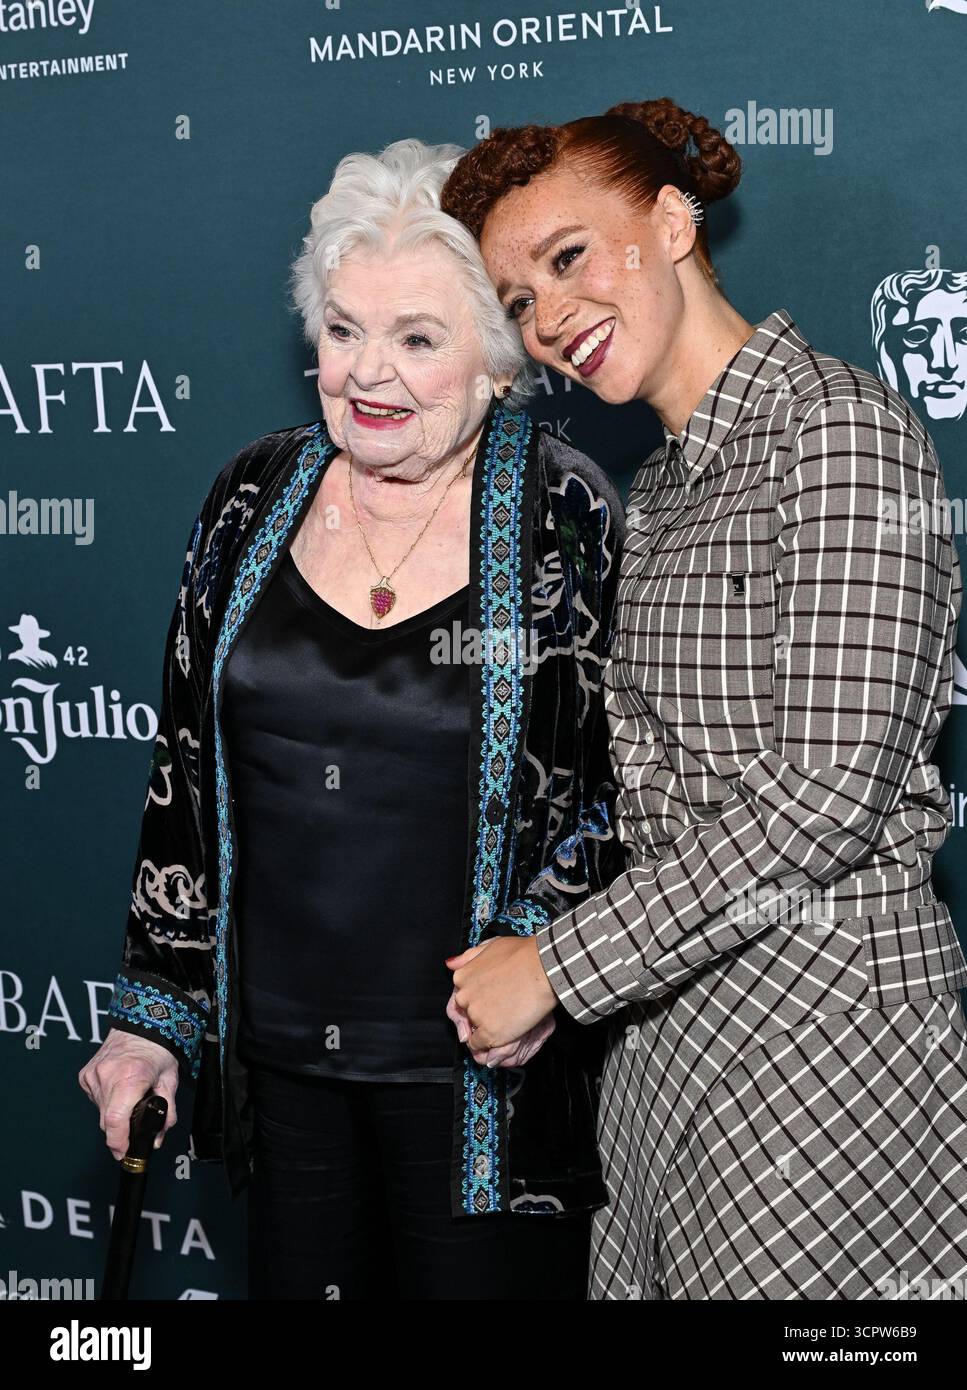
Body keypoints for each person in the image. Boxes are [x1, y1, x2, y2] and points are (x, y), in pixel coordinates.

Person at [78, 138, 626, 1300]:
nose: (366, 373)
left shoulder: (563, 514)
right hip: (283, 1075)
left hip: (485, 1088)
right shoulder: (248, 498)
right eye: (341, 330)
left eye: (417, 338)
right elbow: (183, 769)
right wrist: (149, 1023)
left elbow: (623, 791)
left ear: (494, 357)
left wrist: (546, 956)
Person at [440, 96, 967, 1301]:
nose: (549, 317)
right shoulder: (663, 485)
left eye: (567, 258)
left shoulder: (836, 432)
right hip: (678, 1039)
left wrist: (559, 968)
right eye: (518, 300)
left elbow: (827, 795)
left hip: (830, 1046)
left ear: (672, 222)